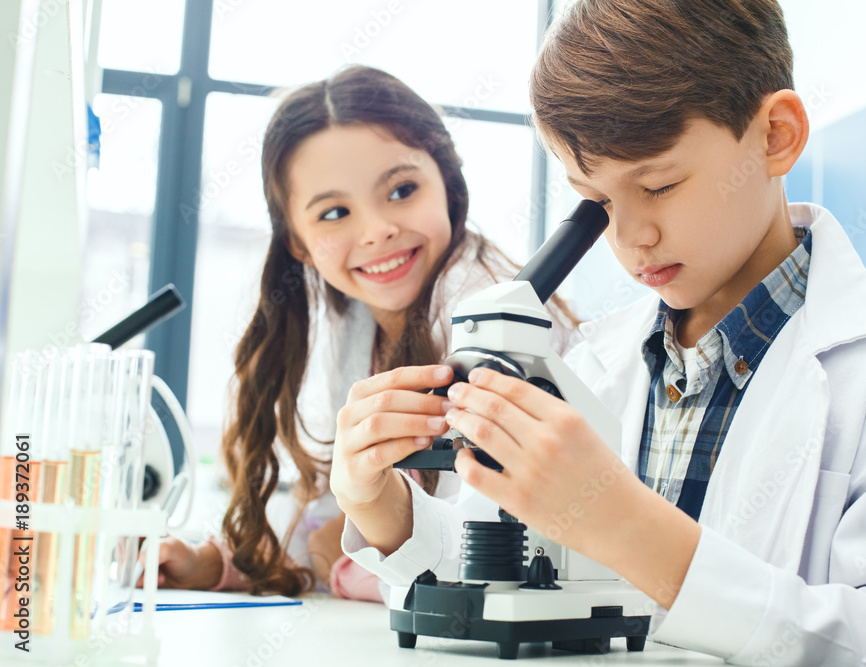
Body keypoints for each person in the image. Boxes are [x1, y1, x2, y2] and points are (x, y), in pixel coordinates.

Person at [338, 1, 866, 664]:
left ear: (776, 136)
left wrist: (628, 527)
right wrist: (383, 507)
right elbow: (496, 569)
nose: (630, 237)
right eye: (598, 201)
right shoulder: (592, 361)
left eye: (659, 185)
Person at [142, 65, 578, 600]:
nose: (376, 231)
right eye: (334, 212)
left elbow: (497, 559)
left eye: (402, 190)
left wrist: (344, 562)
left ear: (448, 184)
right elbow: (322, 510)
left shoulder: (497, 325)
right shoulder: (349, 321)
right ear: (297, 243)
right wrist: (215, 563)